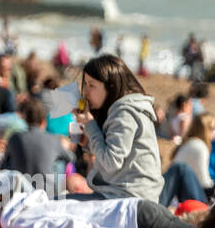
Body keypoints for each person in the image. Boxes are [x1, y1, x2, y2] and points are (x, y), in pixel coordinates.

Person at [0, 171, 194, 228]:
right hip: (136, 209)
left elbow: (72, 226)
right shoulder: (33, 202)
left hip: (133, 220)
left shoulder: (20, 221)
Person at [70, 55, 163, 201]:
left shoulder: (125, 112)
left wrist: (90, 125)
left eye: (91, 85)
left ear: (110, 87)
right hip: (124, 193)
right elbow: (110, 153)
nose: (86, 91)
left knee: (58, 204)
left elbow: (111, 162)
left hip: (131, 198)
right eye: (85, 84)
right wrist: (86, 139)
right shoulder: (118, 110)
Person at [2, 96, 69, 183]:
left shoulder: (15, 138)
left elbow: (4, 164)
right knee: (60, 162)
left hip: (21, 188)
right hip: (47, 190)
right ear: (43, 121)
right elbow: (70, 158)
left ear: (25, 119)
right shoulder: (53, 139)